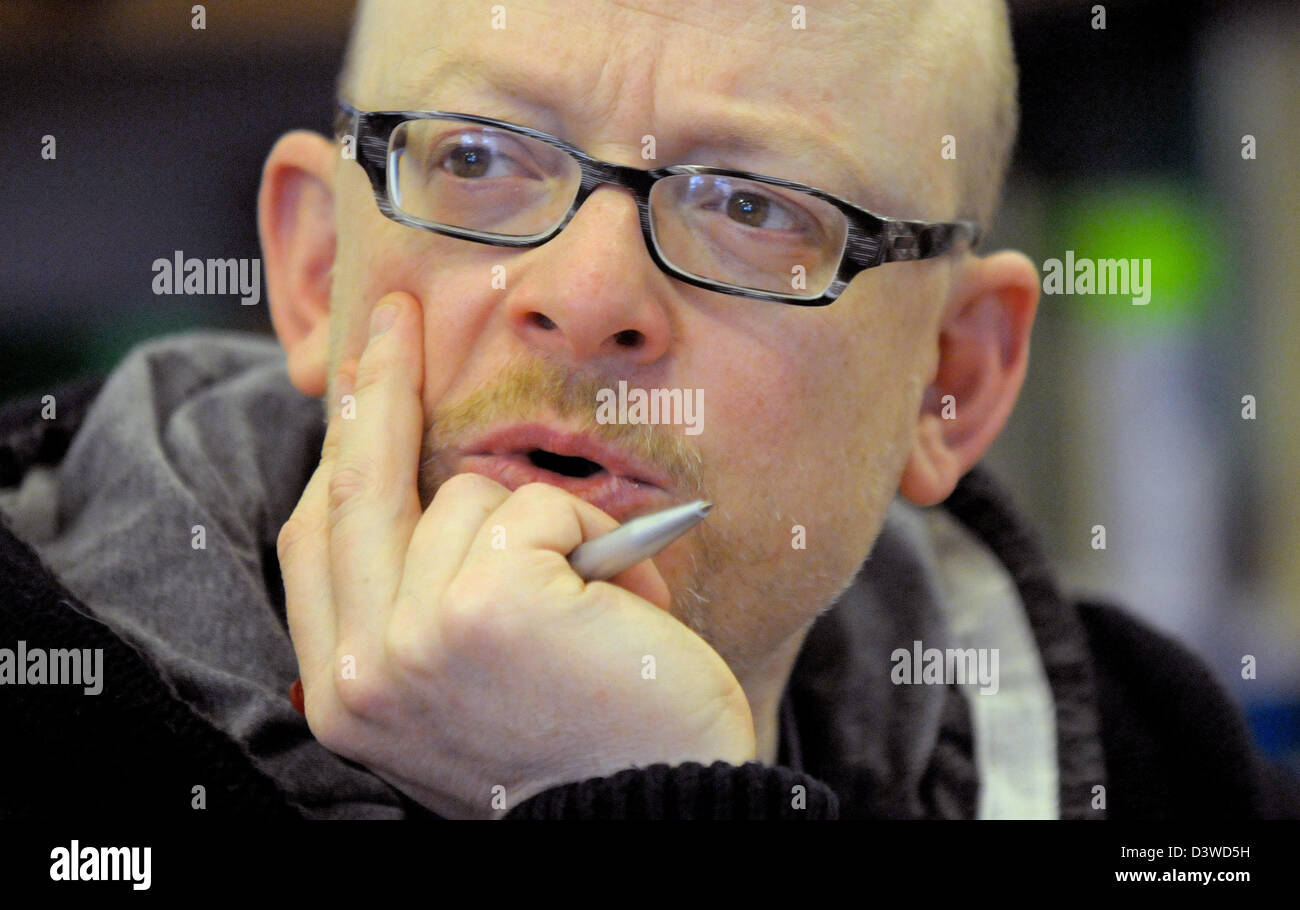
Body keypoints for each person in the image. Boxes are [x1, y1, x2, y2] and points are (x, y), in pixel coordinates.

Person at [1, 0, 1296, 820]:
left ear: (950, 379)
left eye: (750, 204)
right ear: (318, 271)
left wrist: (650, 799)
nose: (587, 295)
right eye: (478, 158)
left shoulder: (1167, 782)